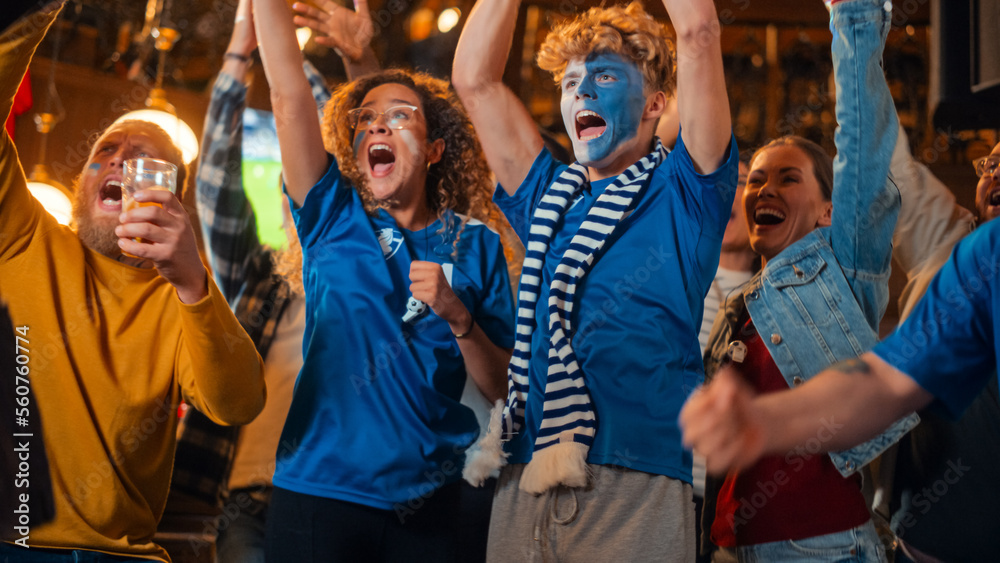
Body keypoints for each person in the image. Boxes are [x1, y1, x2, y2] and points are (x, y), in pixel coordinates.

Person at [453, 0, 737, 559]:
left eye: (604, 76)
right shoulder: (548, 199)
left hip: (635, 479)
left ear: (656, 104)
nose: (581, 92)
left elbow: (699, 30)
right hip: (525, 471)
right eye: (571, 82)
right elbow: (475, 80)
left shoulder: (686, 193)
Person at [252, 0, 516, 560]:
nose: (377, 125)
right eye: (366, 120)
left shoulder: (477, 245)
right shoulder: (330, 212)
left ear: (436, 151)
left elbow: (503, 392)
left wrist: (459, 317)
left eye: (401, 117)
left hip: (431, 507)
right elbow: (286, 92)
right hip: (318, 494)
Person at [0, 5, 266, 562]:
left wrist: (193, 281)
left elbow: (237, 402)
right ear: (81, 183)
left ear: (173, 198)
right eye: (106, 152)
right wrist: (39, 9)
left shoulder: (182, 296)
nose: (121, 160)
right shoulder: (25, 234)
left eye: (145, 159)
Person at [695, 1, 913, 560]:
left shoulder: (844, 268)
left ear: (827, 212)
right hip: (739, 546)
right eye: (757, 180)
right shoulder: (740, 308)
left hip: (821, 547)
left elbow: (863, 153)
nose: (763, 190)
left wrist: (853, 17)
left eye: (788, 180)